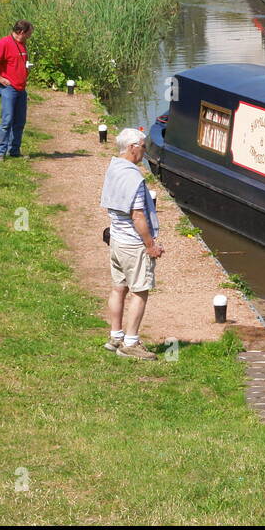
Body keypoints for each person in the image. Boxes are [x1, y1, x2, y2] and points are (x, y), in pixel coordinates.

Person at [101, 128, 164, 361]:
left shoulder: (114, 166)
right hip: (133, 244)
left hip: (116, 239)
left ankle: (115, 336)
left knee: (119, 288)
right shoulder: (134, 177)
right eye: (143, 147)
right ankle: (130, 343)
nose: (144, 152)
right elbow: (138, 216)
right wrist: (150, 245)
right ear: (132, 147)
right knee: (140, 291)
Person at [0, 20, 32, 160]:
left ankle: (14, 150)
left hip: (21, 89)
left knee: (20, 121)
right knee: (7, 120)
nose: (30, 36)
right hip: (8, 88)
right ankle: (0, 152)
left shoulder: (22, 44)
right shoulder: (5, 43)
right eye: (29, 33)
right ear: (21, 32)